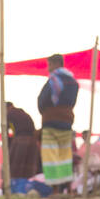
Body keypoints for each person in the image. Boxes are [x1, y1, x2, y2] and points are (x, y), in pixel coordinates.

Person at [37, 53, 79, 191]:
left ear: (55, 64)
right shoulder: (73, 81)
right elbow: (72, 101)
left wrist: (45, 111)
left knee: (50, 154)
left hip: (51, 120)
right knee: (65, 154)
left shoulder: (54, 79)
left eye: (49, 65)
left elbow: (43, 99)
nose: (48, 68)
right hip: (67, 120)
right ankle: (68, 188)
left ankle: (55, 188)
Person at [5, 101, 41, 180]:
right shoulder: (23, 113)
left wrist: (8, 145)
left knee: (15, 168)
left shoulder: (9, 114)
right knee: (28, 170)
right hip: (33, 142)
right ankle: (26, 186)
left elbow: (5, 134)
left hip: (21, 140)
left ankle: (15, 186)